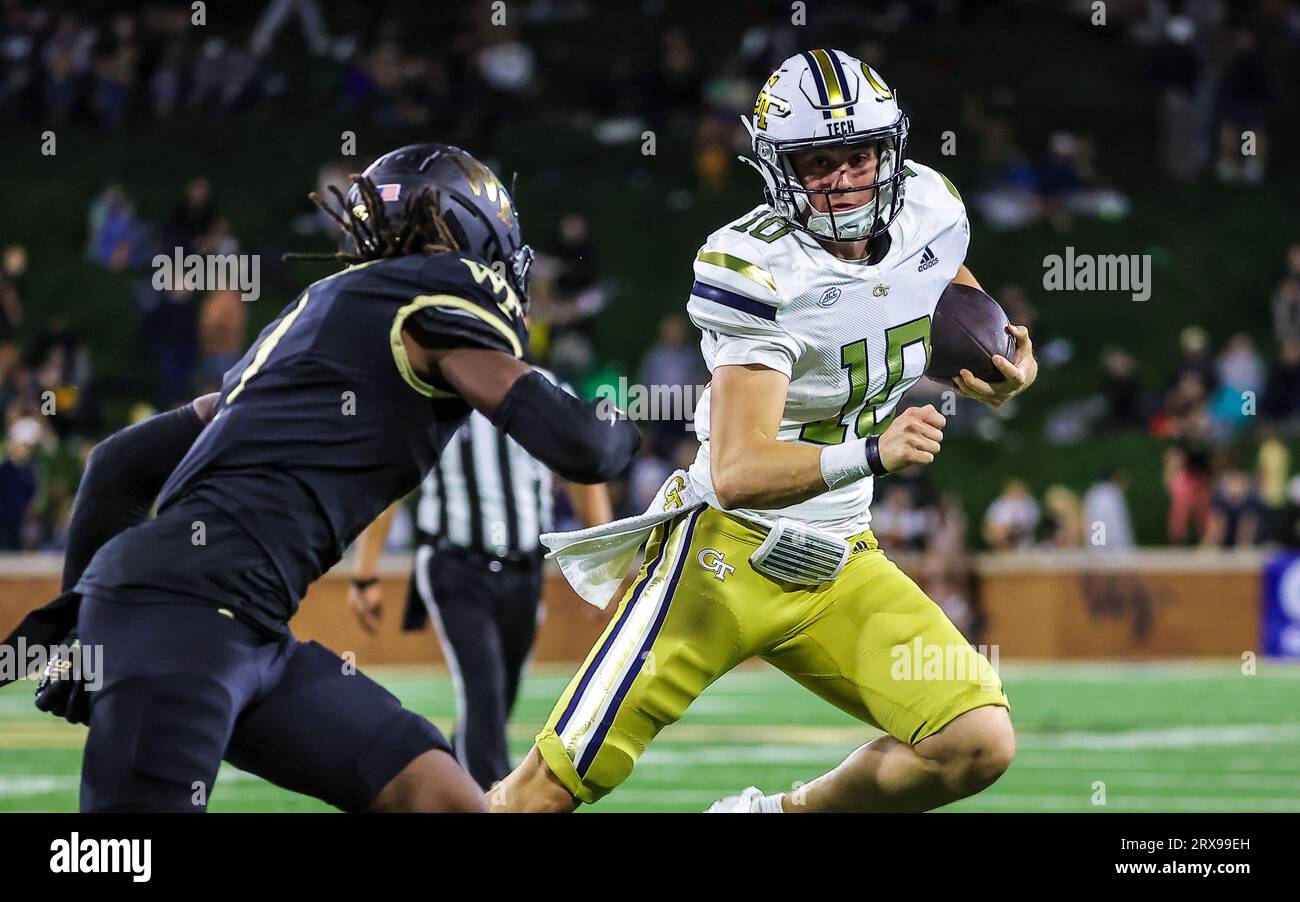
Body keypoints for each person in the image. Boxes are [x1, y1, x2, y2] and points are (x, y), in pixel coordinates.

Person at [2, 144, 640, 813]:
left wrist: (83, 624)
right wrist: (625, 421)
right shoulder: (428, 303)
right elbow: (582, 446)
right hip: (181, 615)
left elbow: (115, 464)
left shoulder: (321, 318)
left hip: (246, 630)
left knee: (438, 796)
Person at [489, 50, 1036, 814]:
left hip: (839, 553)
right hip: (725, 554)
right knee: (542, 794)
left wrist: (1005, 360)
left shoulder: (930, 209)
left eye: (859, 156)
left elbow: (946, 280)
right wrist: (873, 451)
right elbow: (742, 469)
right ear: (780, 169)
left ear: (892, 149)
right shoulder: (756, 266)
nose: (844, 179)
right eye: (818, 164)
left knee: (974, 741)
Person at [348, 375, 614, 789]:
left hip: (524, 569)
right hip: (455, 565)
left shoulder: (548, 389)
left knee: (498, 699)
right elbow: (394, 482)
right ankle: (493, 797)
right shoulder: (436, 392)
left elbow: (584, 471)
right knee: (483, 692)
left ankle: (444, 783)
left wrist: (603, 570)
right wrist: (365, 574)